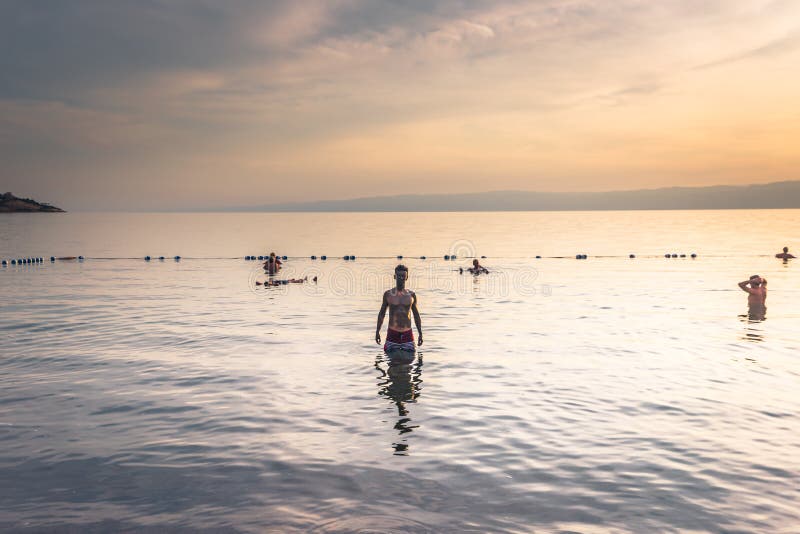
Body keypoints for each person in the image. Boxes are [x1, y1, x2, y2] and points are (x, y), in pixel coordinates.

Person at [376, 265, 423, 358]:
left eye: (403, 276)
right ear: (395, 276)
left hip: (407, 334)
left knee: (409, 365)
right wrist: (377, 331)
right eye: (399, 276)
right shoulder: (388, 294)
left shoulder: (411, 295)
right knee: (391, 366)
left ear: (407, 277)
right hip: (392, 334)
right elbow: (381, 314)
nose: (401, 278)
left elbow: (416, 315)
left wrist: (420, 333)